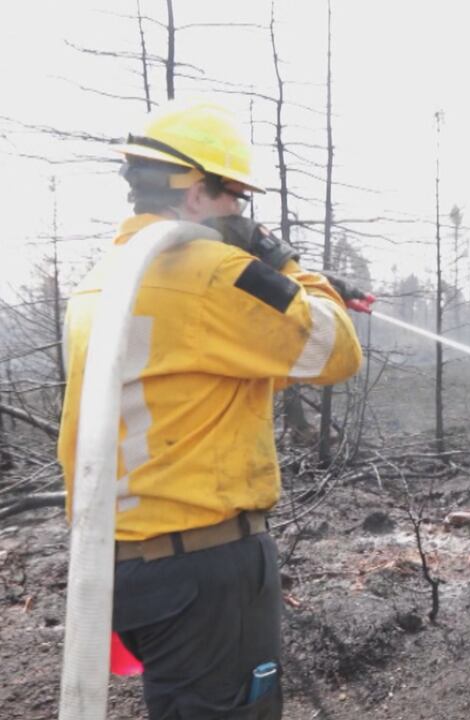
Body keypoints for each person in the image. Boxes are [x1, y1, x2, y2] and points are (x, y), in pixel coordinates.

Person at [57, 99, 364, 719]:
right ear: (196, 192)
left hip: (124, 565)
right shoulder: (213, 274)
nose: (240, 213)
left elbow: (191, 384)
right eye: (235, 197)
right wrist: (282, 262)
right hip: (204, 568)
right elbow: (336, 349)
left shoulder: (100, 282)